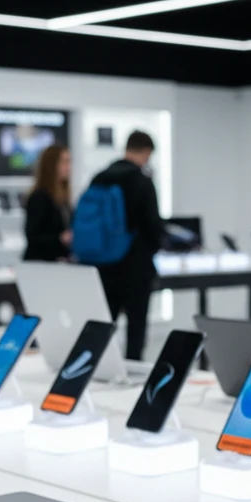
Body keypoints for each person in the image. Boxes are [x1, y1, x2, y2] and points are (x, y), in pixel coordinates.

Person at [88, 130, 165, 361]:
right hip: (135, 266)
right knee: (136, 326)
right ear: (147, 152)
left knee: (104, 325)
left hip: (102, 265)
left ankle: (101, 369)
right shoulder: (141, 182)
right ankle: (132, 373)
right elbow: (153, 226)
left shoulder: (99, 178)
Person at [23, 145, 72, 262]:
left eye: (69, 162)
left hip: (57, 262)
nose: (68, 167)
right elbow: (33, 235)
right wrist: (60, 238)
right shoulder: (39, 197)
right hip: (40, 263)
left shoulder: (63, 198)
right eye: (64, 162)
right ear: (52, 165)